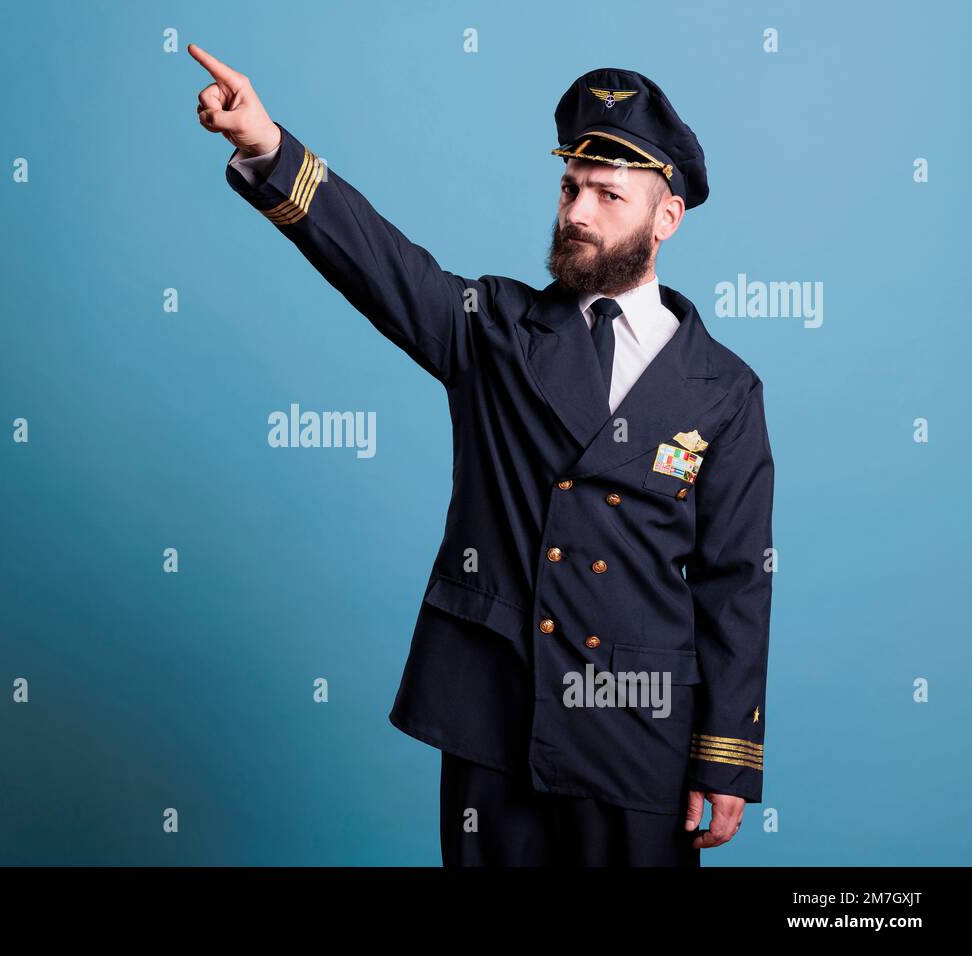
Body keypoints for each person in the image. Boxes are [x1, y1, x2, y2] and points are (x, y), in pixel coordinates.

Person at [190, 43, 774, 867]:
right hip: (497, 716)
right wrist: (265, 146)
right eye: (571, 188)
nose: (577, 213)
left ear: (664, 218)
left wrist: (724, 755)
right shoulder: (492, 326)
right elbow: (379, 263)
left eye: (609, 196)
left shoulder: (725, 388)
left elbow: (737, 578)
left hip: (640, 730)